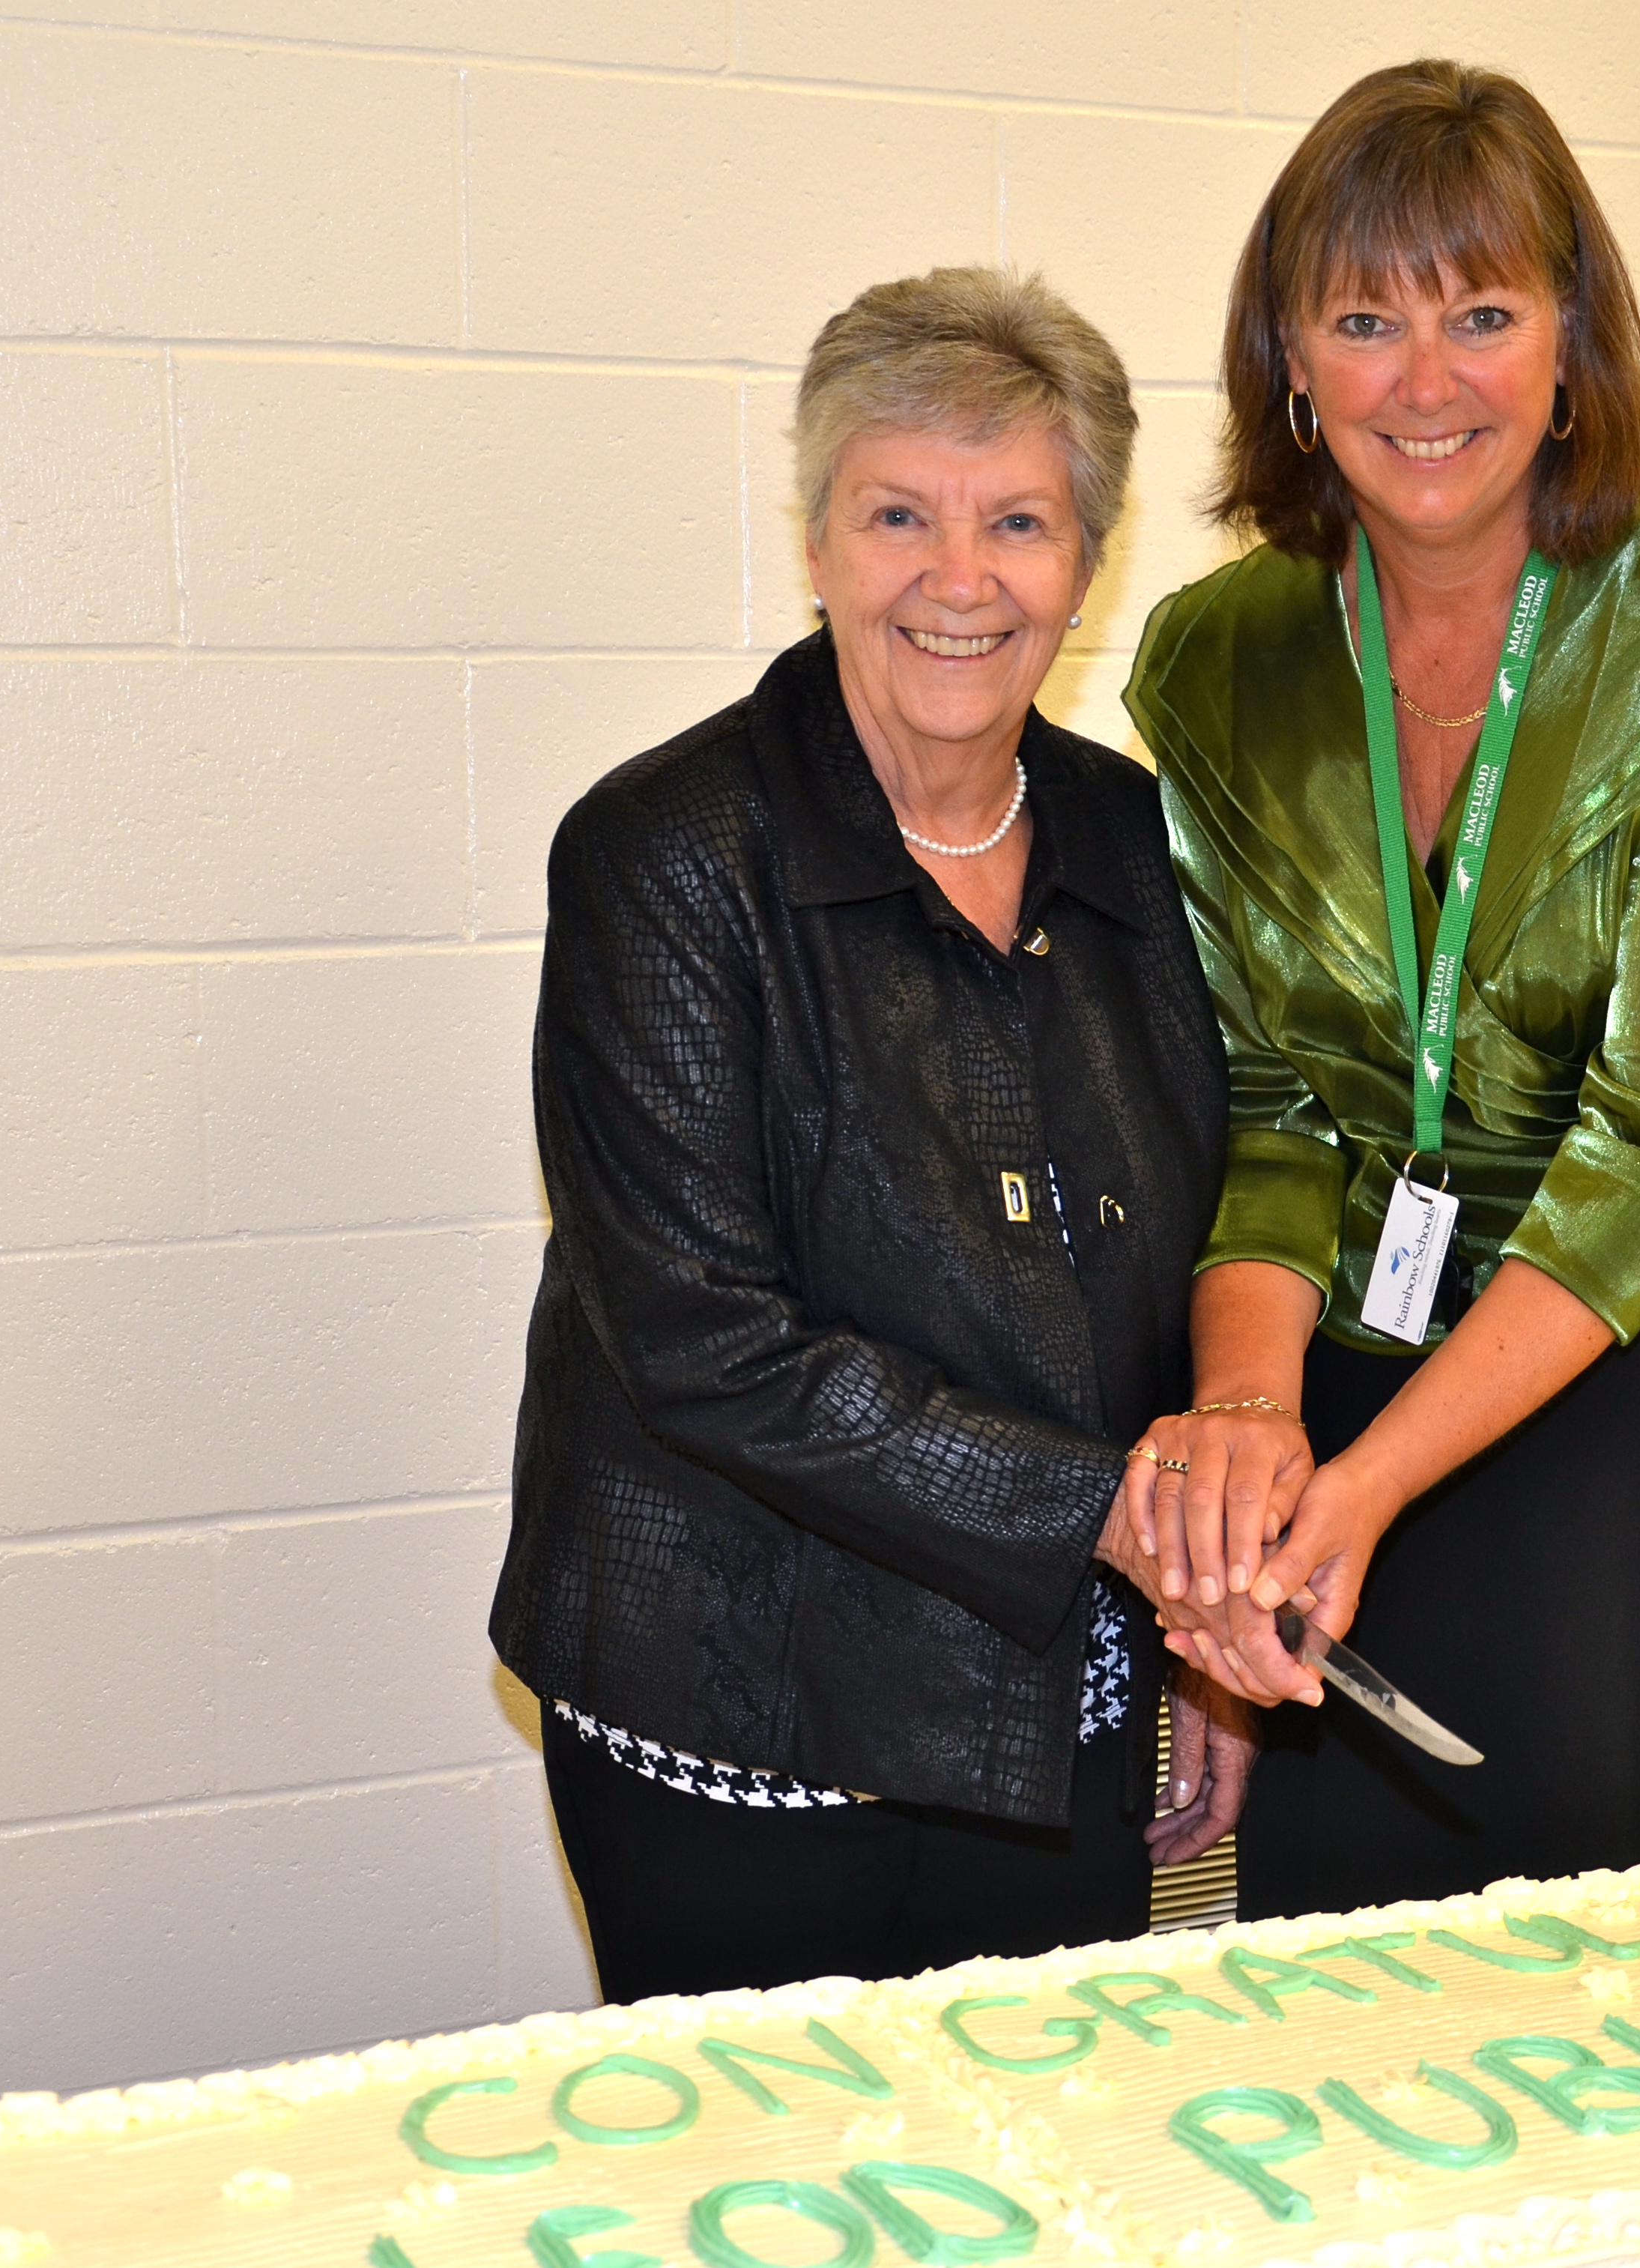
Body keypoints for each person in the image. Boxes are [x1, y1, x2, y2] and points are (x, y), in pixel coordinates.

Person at [1119, 60, 1640, 1922]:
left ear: (1572, 340)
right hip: (1344, 1357)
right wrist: (1258, 1432)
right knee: (1350, 1946)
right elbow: (1267, 1103)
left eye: (1483, 312)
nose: (1424, 381)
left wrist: (1360, 1488)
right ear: (1290, 356)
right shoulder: (1218, 658)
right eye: (1365, 319)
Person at [491, 268, 1235, 2004]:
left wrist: (1194, 1630)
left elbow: (1192, 1260)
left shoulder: (1143, 847)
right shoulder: (663, 856)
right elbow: (706, 1343)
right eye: (900, 512)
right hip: (747, 1721)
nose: (959, 579)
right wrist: (1115, 1514)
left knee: (1052, 2180)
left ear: (1087, 565)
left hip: (1068, 1702)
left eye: (1020, 523)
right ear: (817, 539)